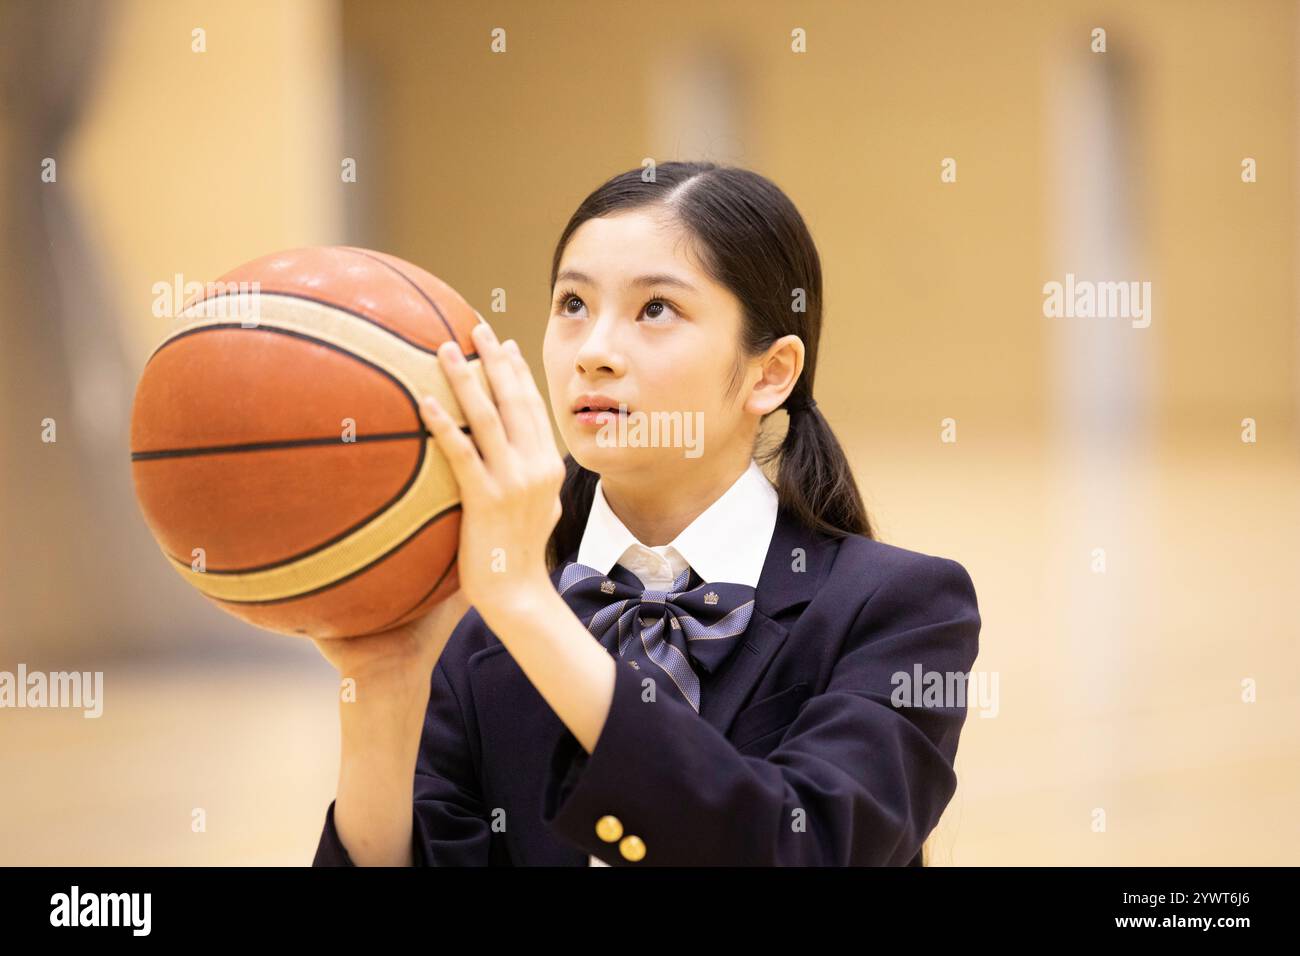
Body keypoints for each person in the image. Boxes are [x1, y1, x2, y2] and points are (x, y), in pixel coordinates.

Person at [309, 161, 981, 866]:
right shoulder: (478, 630)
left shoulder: (902, 608)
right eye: (572, 305)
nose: (594, 352)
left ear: (770, 372)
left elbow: (796, 850)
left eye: (656, 308)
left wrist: (529, 611)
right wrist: (382, 688)